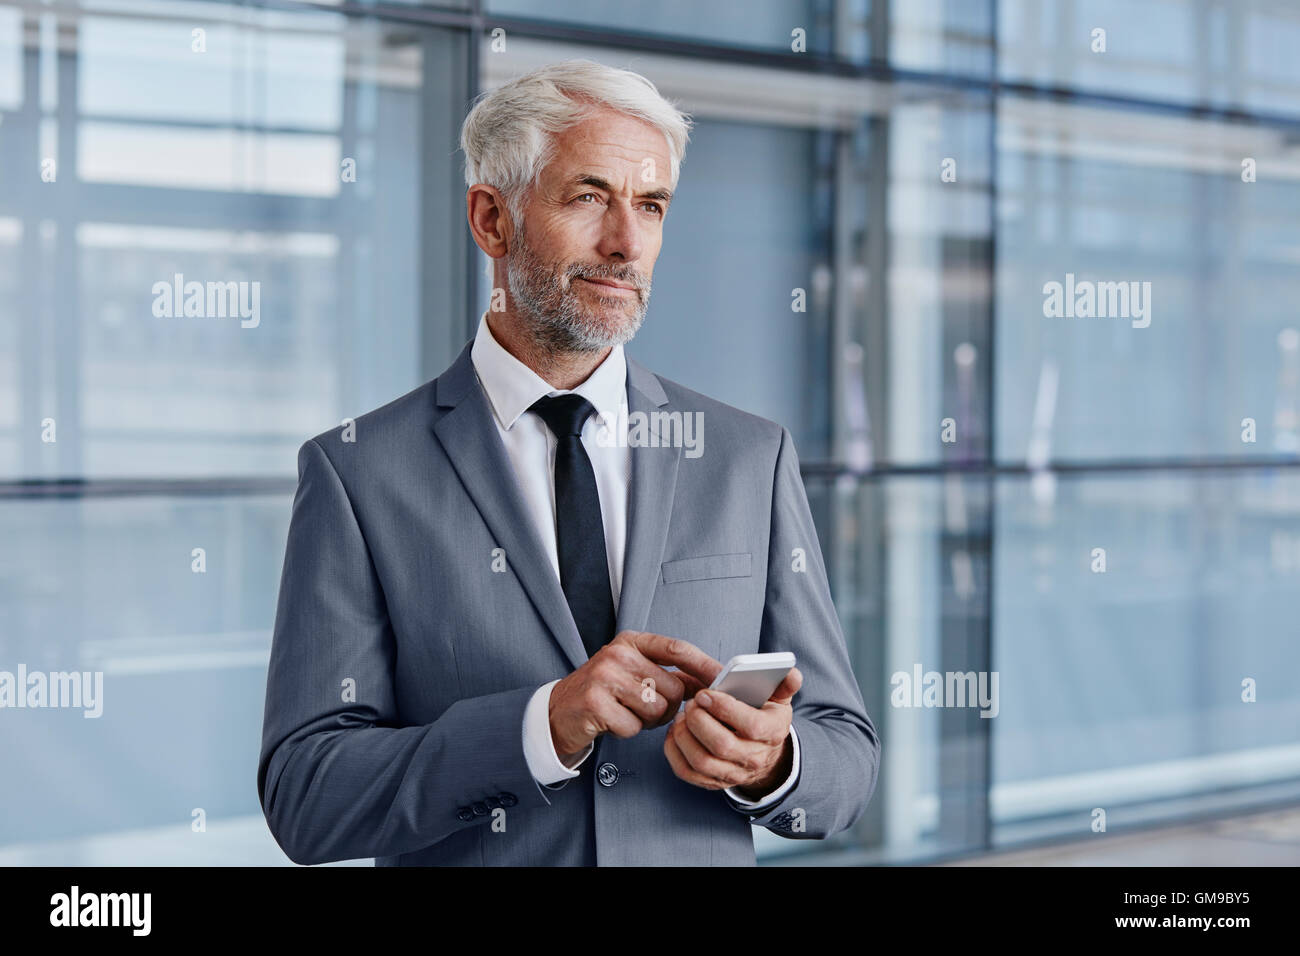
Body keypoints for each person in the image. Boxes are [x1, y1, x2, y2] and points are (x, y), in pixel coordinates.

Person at [257, 59, 880, 866]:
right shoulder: (360, 475)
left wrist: (773, 763)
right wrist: (542, 725)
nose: (625, 243)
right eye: (589, 197)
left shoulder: (746, 457)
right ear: (491, 220)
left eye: (649, 206)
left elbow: (848, 760)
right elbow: (308, 800)